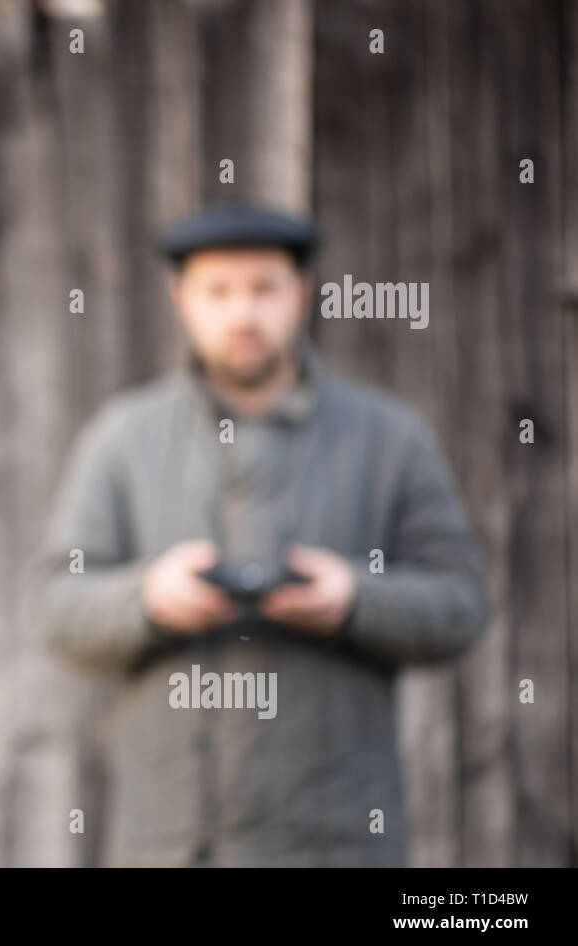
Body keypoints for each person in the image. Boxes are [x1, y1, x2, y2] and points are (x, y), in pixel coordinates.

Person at [29, 203, 492, 866]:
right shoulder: (122, 438)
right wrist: (146, 599)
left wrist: (355, 599)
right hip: (168, 845)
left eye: (263, 289)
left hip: (336, 847)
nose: (243, 314)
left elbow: (461, 604)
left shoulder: (391, 438)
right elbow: (55, 604)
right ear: (181, 297)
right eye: (218, 291)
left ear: (301, 294)